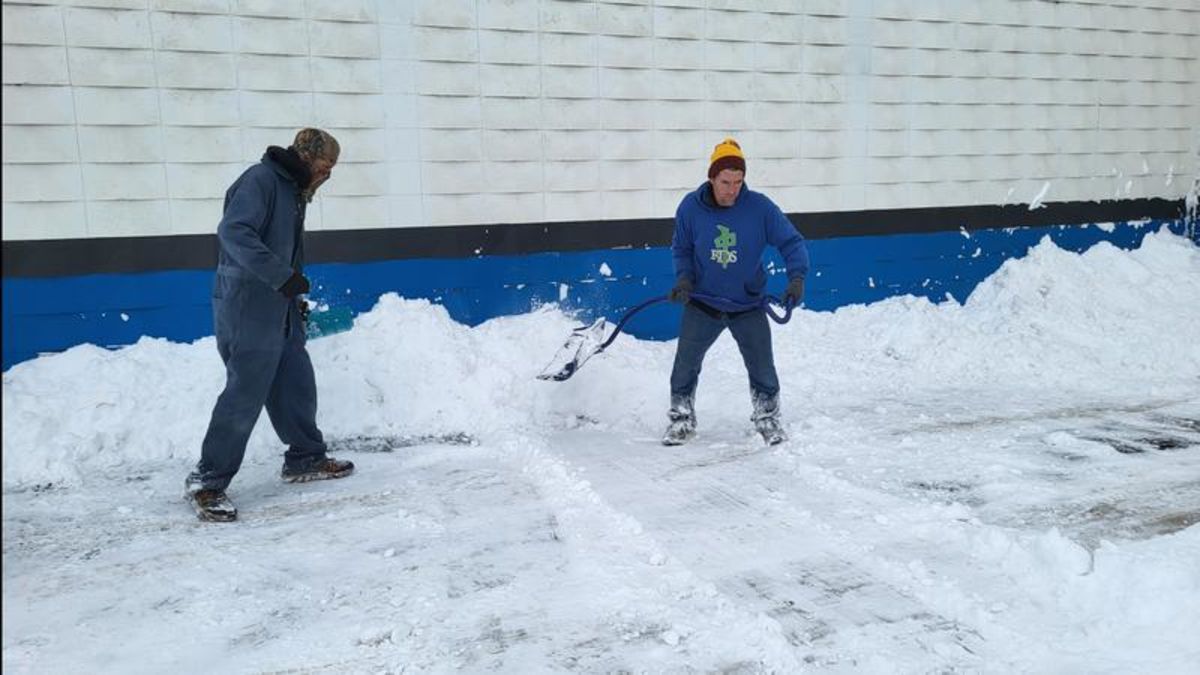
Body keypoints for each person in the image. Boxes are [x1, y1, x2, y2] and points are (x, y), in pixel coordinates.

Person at [184, 128, 354, 522]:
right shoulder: (260, 181)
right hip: (247, 304)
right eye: (326, 167)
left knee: (295, 379)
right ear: (309, 158)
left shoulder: (293, 190)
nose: (328, 175)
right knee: (245, 391)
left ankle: (305, 458)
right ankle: (208, 481)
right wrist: (282, 276)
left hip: (279, 303)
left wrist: (293, 294)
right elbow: (233, 232)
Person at [664, 137, 810, 446]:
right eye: (726, 181)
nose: (733, 189)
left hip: (748, 303)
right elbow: (681, 248)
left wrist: (796, 278)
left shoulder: (759, 208)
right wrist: (685, 279)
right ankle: (681, 418)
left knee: (761, 365)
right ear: (712, 178)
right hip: (703, 302)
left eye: (739, 181)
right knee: (685, 363)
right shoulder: (690, 208)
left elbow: (791, 241)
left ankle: (767, 417)